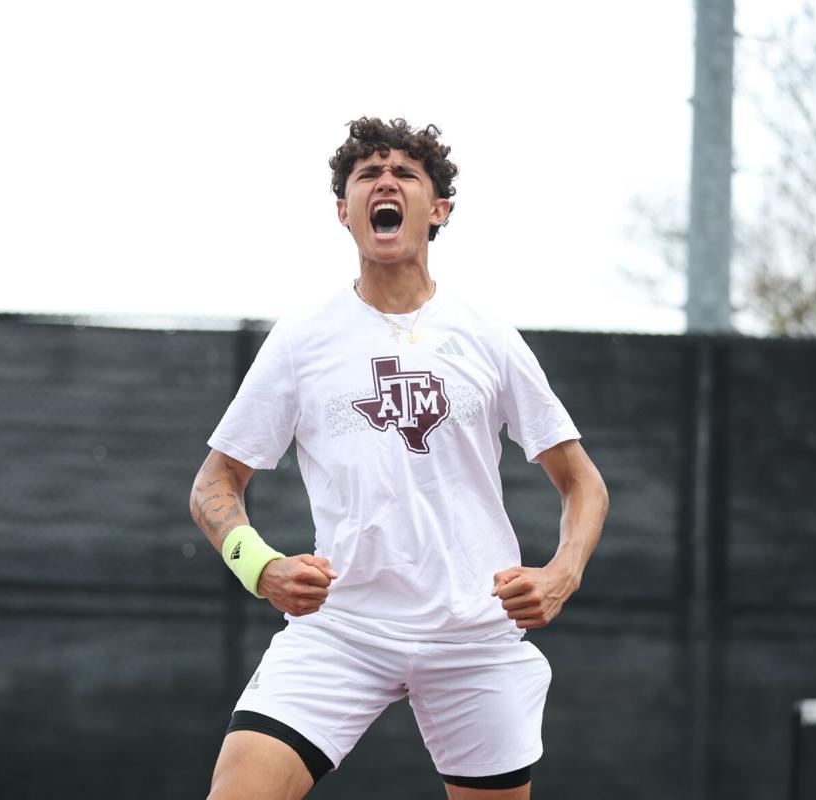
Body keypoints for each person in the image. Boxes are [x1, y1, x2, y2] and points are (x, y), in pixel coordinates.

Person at [189, 117, 608, 800]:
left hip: (473, 635)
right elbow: (215, 482)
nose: (385, 182)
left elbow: (582, 482)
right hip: (341, 629)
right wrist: (260, 567)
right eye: (368, 175)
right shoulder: (302, 338)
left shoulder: (488, 335)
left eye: (405, 173)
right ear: (344, 211)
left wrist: (562, 573)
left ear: (438, 209)